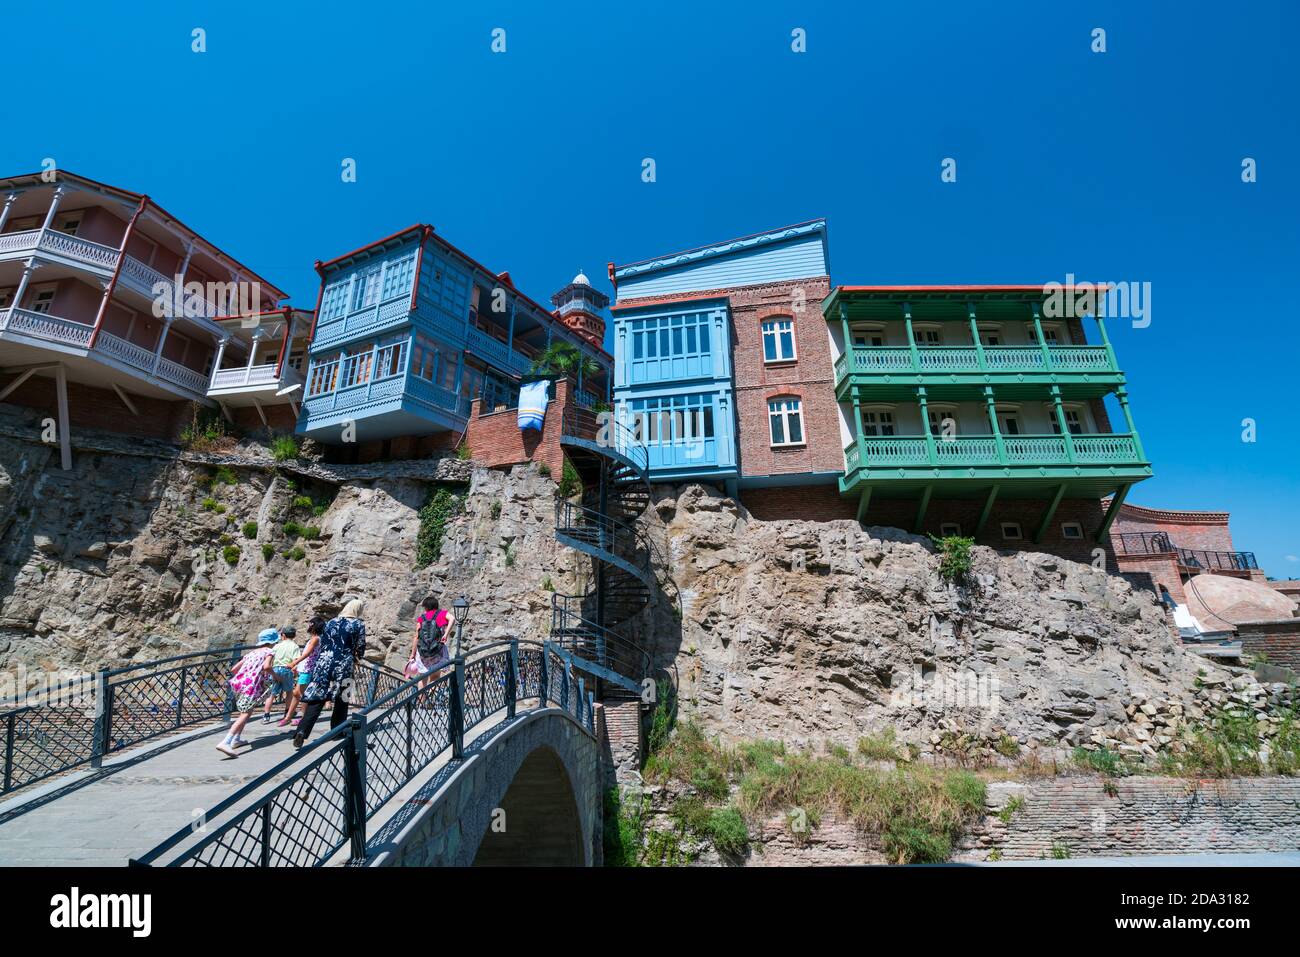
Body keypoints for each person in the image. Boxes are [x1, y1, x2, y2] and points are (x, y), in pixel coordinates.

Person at [293, 599, 366, 749]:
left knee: (316, 698)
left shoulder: (331, 622)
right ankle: (337, 731)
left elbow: (324, 641)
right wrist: (357, 656)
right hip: (343, 664)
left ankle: (302, 731)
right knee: (342, 697)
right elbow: (360, 646)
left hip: (324, 662)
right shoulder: (358, 624)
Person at [218, 630, 279, 757]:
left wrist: (246, 675)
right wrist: (275, 676)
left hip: (240, 685)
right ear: (273, 641)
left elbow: (234, 669)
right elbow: (267, 667)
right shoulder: (269, 651)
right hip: (251, 687)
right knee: (245, 714)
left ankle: (236, 739)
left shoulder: (251, 653)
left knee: (247, 711)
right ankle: (226, 741)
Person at [279, 615, 325, 728]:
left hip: (308, 669)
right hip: (305, 668)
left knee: (300, 693)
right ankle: (290, 717)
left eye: (310, 623)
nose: (309, 625)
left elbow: (307, 654)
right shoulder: (314, 638)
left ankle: (299, 717)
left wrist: (294, 663)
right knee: (298, 693)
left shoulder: (315, 639)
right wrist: (297, 665)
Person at [408, 595, 453, 688]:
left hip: (423, 652)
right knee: (435, 676)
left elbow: (417, 637)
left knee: (422, 678)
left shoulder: (422, 618)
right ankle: (430, 699)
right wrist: (446, 634)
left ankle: (421, 702)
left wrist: (413, 653)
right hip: (437, 650)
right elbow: (452, 619)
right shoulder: (442, 613)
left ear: (426, 607)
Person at [263, 625, 300, 723]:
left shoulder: (277, 646)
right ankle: (287, 712)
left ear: (283, 635)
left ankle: (266, 715)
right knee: (289, 692)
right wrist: (295, 672)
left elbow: (270, 658)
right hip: (287, 669)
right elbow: (296, 661)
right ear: (294, 635)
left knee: (272, 694)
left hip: (275, 670)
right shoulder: (295, 646)